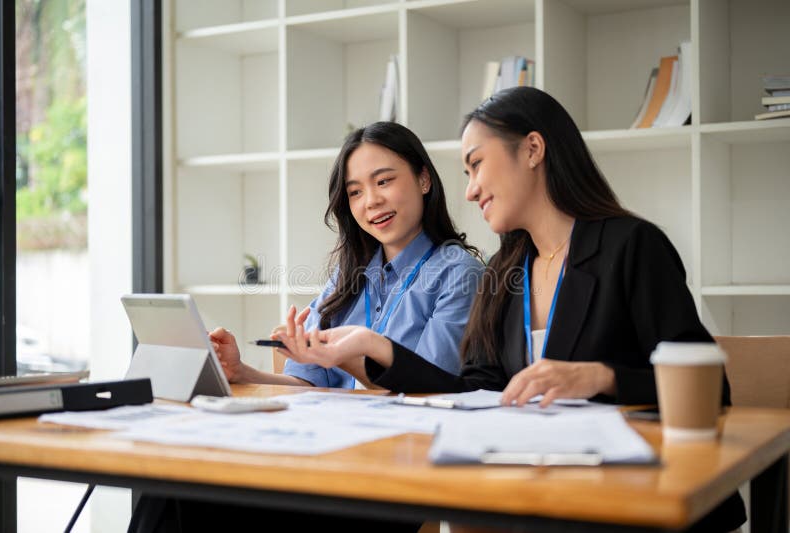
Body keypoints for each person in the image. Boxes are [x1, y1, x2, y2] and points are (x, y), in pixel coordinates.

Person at [275, 87, 746, 532]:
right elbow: (472, 391)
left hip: (634, 502)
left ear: (533, 149)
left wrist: (601, 377)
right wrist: (376, 348)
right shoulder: (507, 271)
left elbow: (711, 392)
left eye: (477, 165)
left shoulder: (630, 246)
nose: (470, 190)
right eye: (466, 173)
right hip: (536, 494)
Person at [210, 121, 483, 390]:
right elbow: (305, 384)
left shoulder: (459, 273)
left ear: (423, 179)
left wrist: (345, 356)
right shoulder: (347, 276)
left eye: (383, 181)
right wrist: (241, 372)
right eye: (355, 192)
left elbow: (427, 389)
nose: (371, 200)